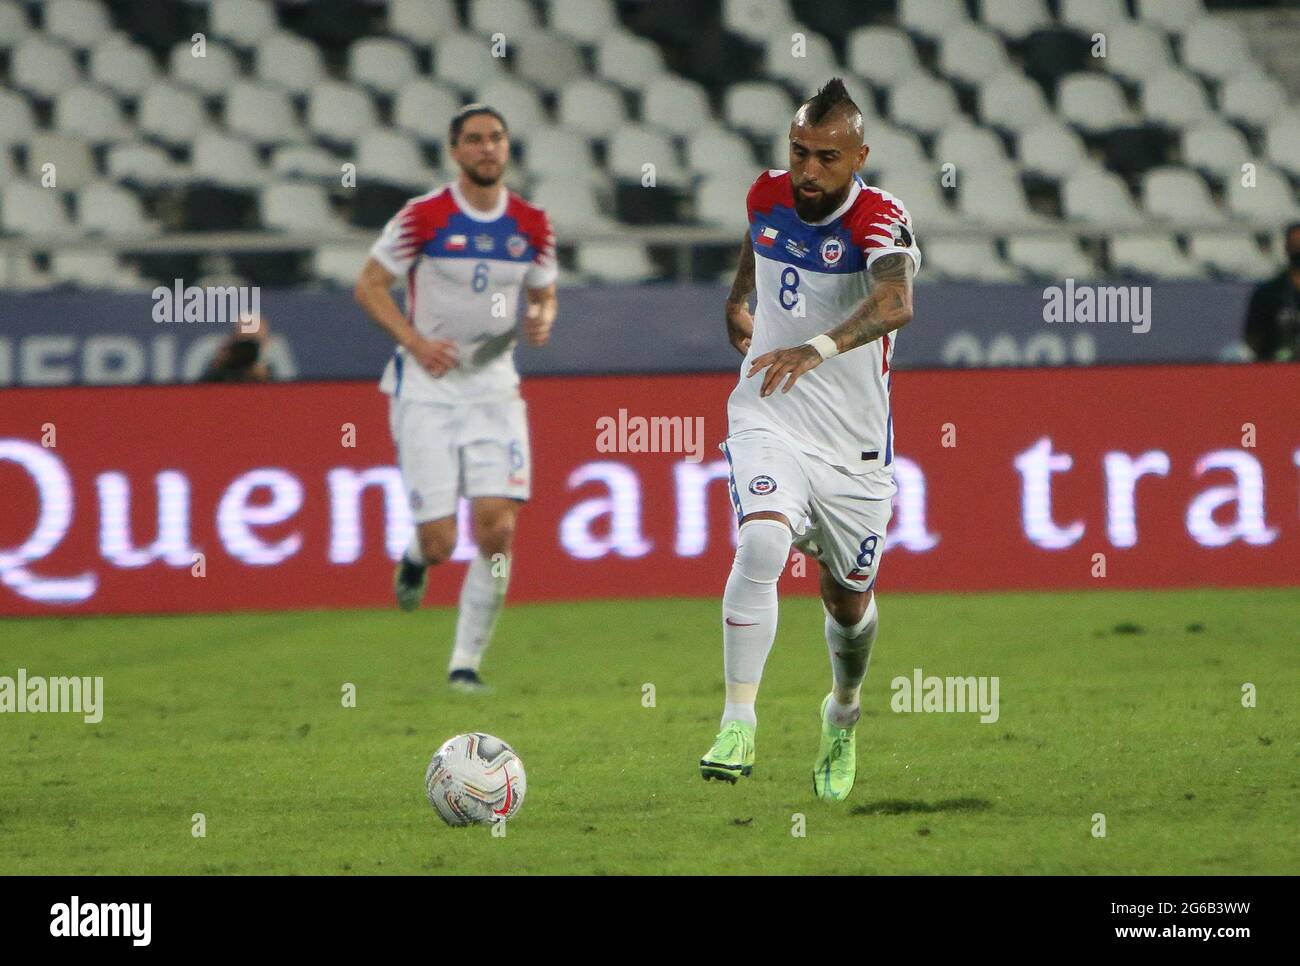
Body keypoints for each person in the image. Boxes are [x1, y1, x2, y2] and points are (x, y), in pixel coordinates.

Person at [699, 78, 921, 801]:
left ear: (859, 155)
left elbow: (895, 302)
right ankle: (738, 721)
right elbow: (757, 243)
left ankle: (844, 712)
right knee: (761, 541)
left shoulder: (881, 220)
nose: (808, 171)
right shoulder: (765, 195)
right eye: (799, 152)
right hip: (769, 414)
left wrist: (816, 349)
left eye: (827, 157)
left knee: (848, 604)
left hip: (854, 450)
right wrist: (739, 298)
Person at [353, 104, 558, 694]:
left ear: (507, 147)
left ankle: (465, 664)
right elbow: (369, 285)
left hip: (494, 388)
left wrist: (542, 317)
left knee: (497, 530)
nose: (487, 148)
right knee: (443, 540)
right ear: (455, 151)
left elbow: (544, 294)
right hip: (429, 390)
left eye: (496, 137)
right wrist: (414, 341)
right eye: (474, 140)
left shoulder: (533, 223)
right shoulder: (424, 217)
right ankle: (418, 557)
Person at [1243, 223, 1300, 361]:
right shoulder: (1268, 294)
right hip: (1277, 369)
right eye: (1295, 244)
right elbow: (1253, 338)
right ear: (1286, 247)